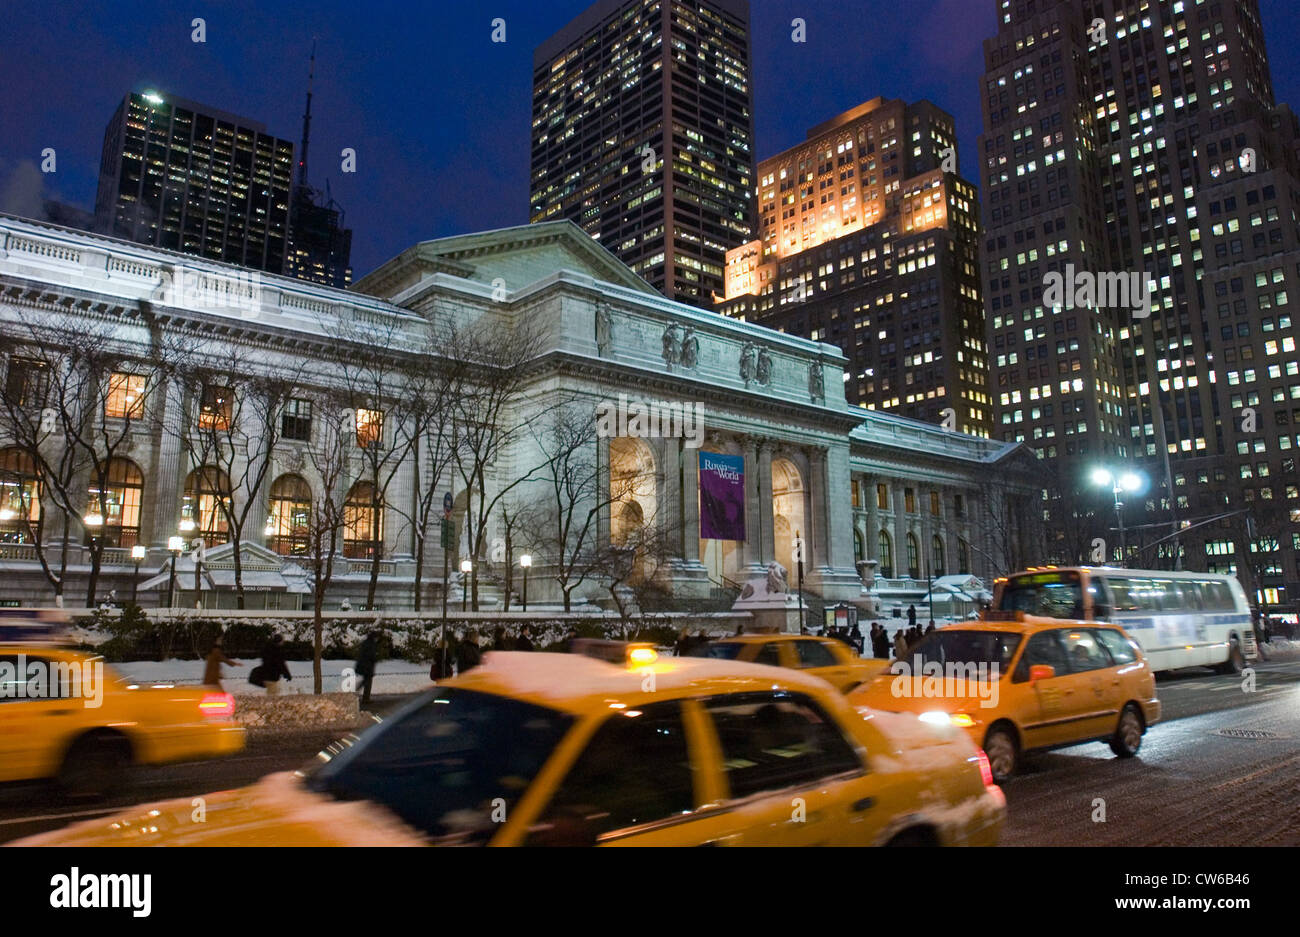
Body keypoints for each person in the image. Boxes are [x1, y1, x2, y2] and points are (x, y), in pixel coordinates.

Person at [356, 632, 380, 706]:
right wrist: (375, 658)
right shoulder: (371, 644)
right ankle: (365, 698)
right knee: (367, 682)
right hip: (367, 666)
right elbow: (371, 655)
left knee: (366, 681)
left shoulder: (366, 642)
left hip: (364, 665)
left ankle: (363, 696)